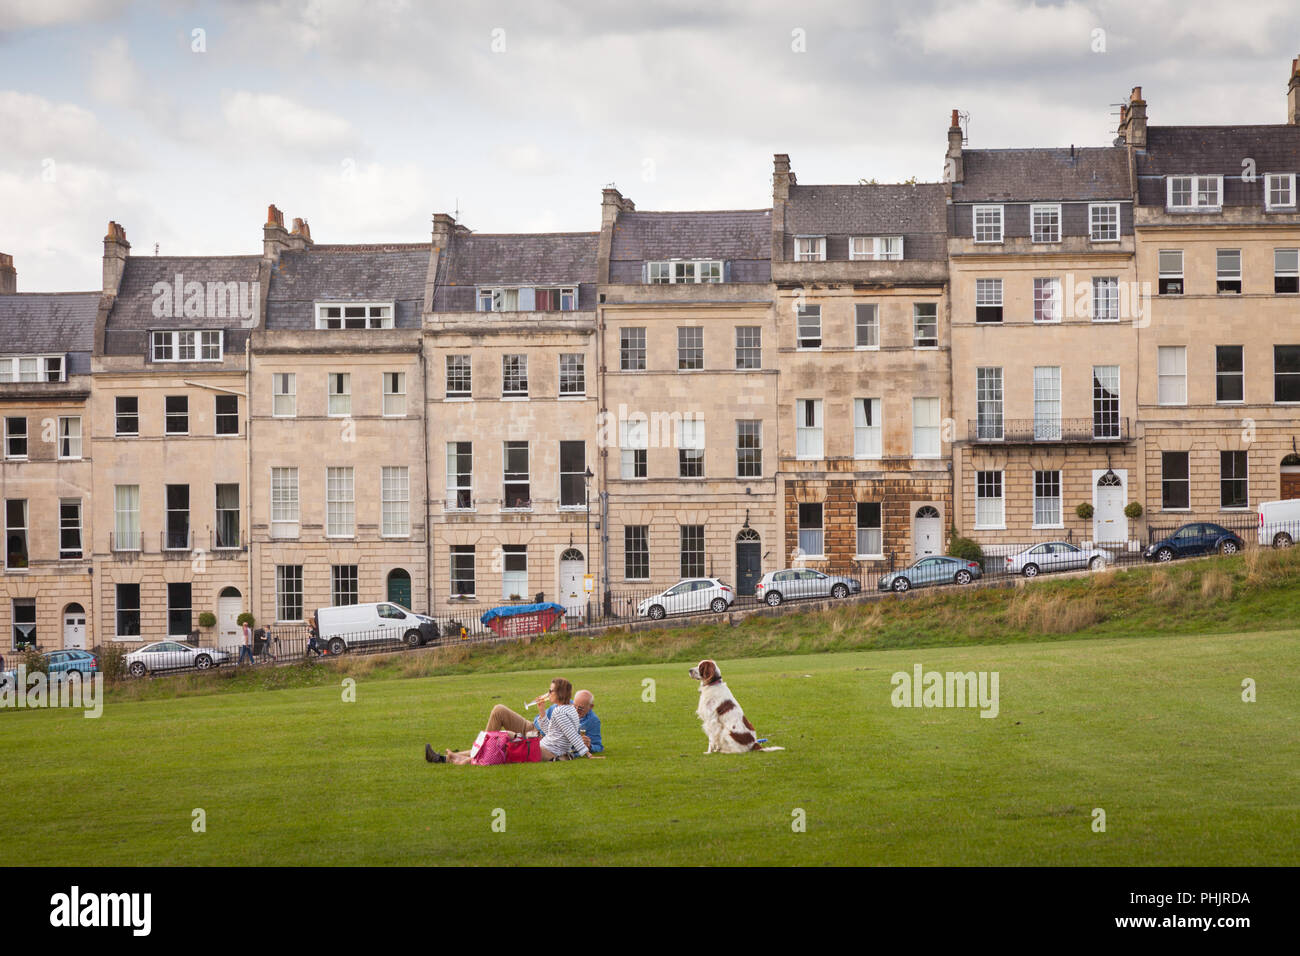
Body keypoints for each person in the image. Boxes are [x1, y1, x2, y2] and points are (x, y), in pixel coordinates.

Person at [426, 678, 602, 764]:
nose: (576, 708)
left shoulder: (590, 721)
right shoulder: (562, 708)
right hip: (534, 731)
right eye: (575, 704)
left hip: (541, 743)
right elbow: (550, 729)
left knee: (503, 740)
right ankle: (475, 751)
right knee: (499, 711)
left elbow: (582, 740)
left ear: (590, 707)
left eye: (581, 708)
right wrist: (541, 712)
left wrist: (588, 750)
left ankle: (453, 757)